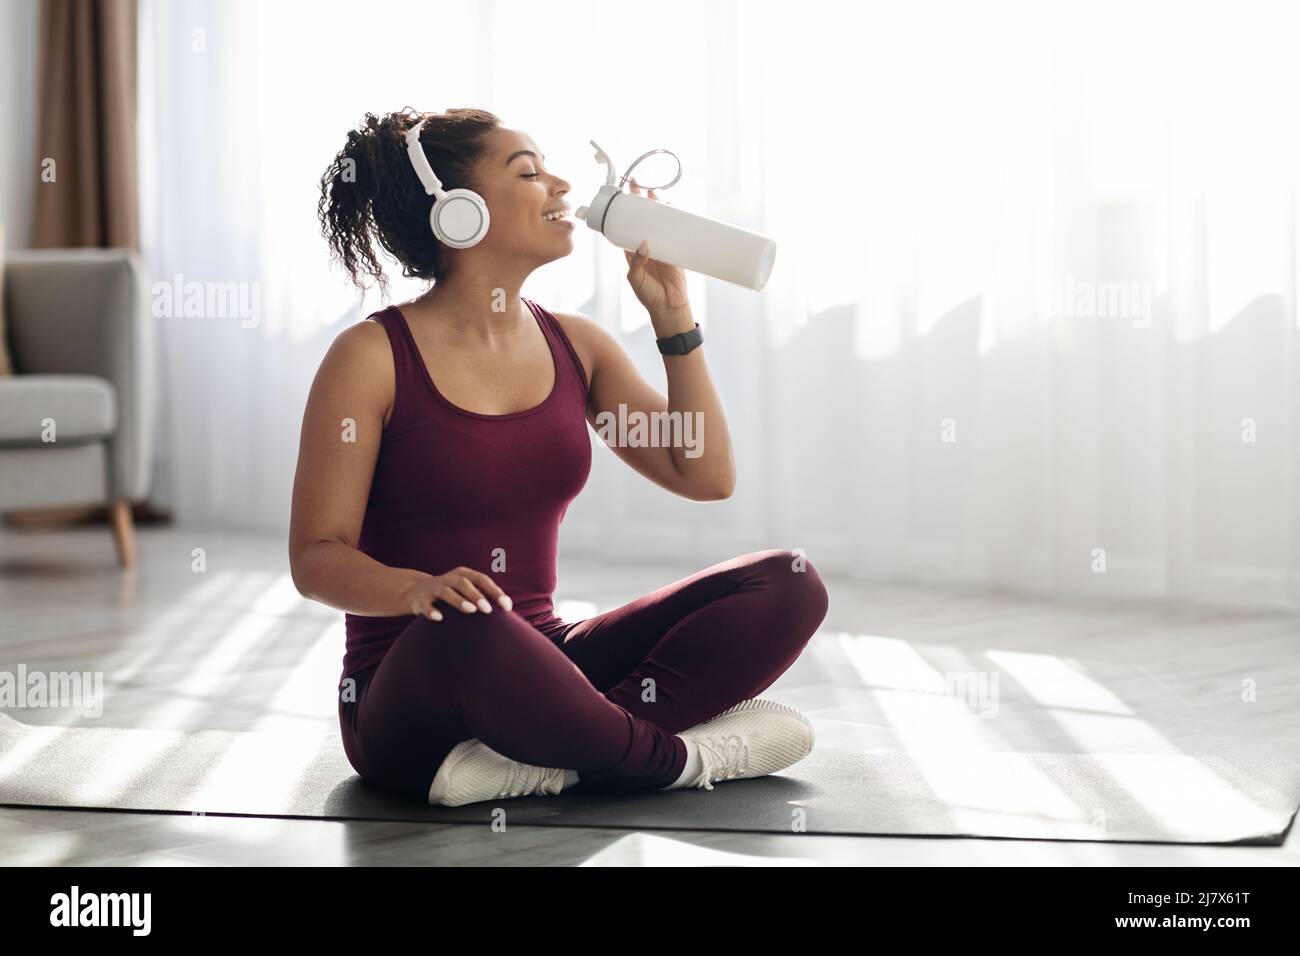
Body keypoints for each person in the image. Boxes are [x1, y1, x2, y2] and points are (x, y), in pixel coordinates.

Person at [288, 107, 829, 807]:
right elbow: (316, 557)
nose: (562, 186)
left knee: (787, 581)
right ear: (457, 212)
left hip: (546, 660)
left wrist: (675, 321)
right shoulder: (369, 358)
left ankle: (556, 754)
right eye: (529, 172)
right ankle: (671, 760)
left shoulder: (575, 344)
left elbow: (704, 475)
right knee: (473, 620)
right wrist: (414, 591)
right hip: (414, 692)